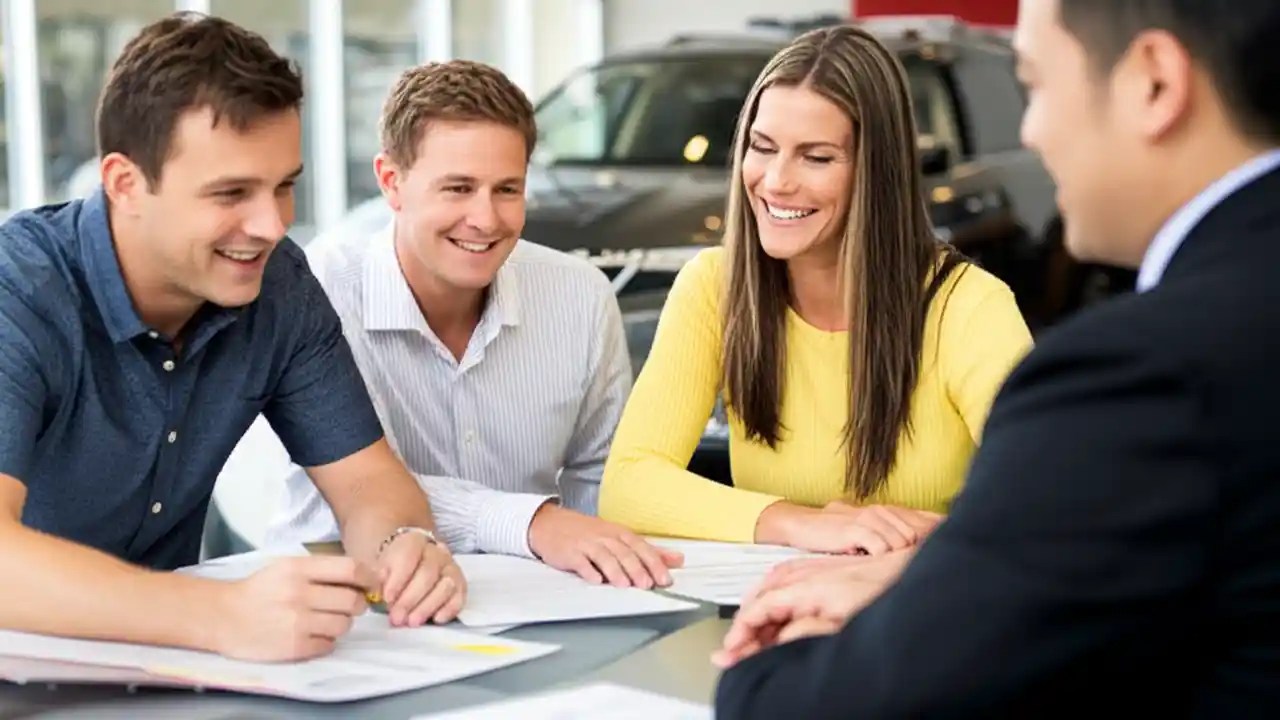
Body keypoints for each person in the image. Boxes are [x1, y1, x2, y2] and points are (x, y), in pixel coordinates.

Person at [715, 0, 1280, 716]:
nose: (1029, 133)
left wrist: (756, 669)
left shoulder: (1144, 374)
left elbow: (865, 698)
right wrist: (924, 577)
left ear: (1154, 83)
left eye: (1035, 84)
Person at [0, 13, 466, 663]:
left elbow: (366, 481)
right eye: (231, 193)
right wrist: (217, 614)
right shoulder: (19, 290)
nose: (272, 225)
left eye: (284, 187)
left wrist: (402, 546)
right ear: (125, 184)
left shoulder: (278, 285)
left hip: (167, 669)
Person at [239, 59, 682, 589]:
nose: (486, 219)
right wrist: (532, 523)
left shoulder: (580, 297)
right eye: (458, 188)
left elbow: (601, 480)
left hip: (535, 598)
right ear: (391, 182)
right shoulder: (320, 292)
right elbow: (343, 491)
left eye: (507, 190)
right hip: (350, 598)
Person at [597, 25, 1032, 554]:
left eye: (817, 157)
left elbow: (1054, 496)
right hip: (768, 592)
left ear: (877, 171)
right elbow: (628, 484)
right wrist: (804, 523)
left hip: (920, 593)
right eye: (762, 147)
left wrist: (928, 547)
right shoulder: (713, 286)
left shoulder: (968, 306)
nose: (776, 181)